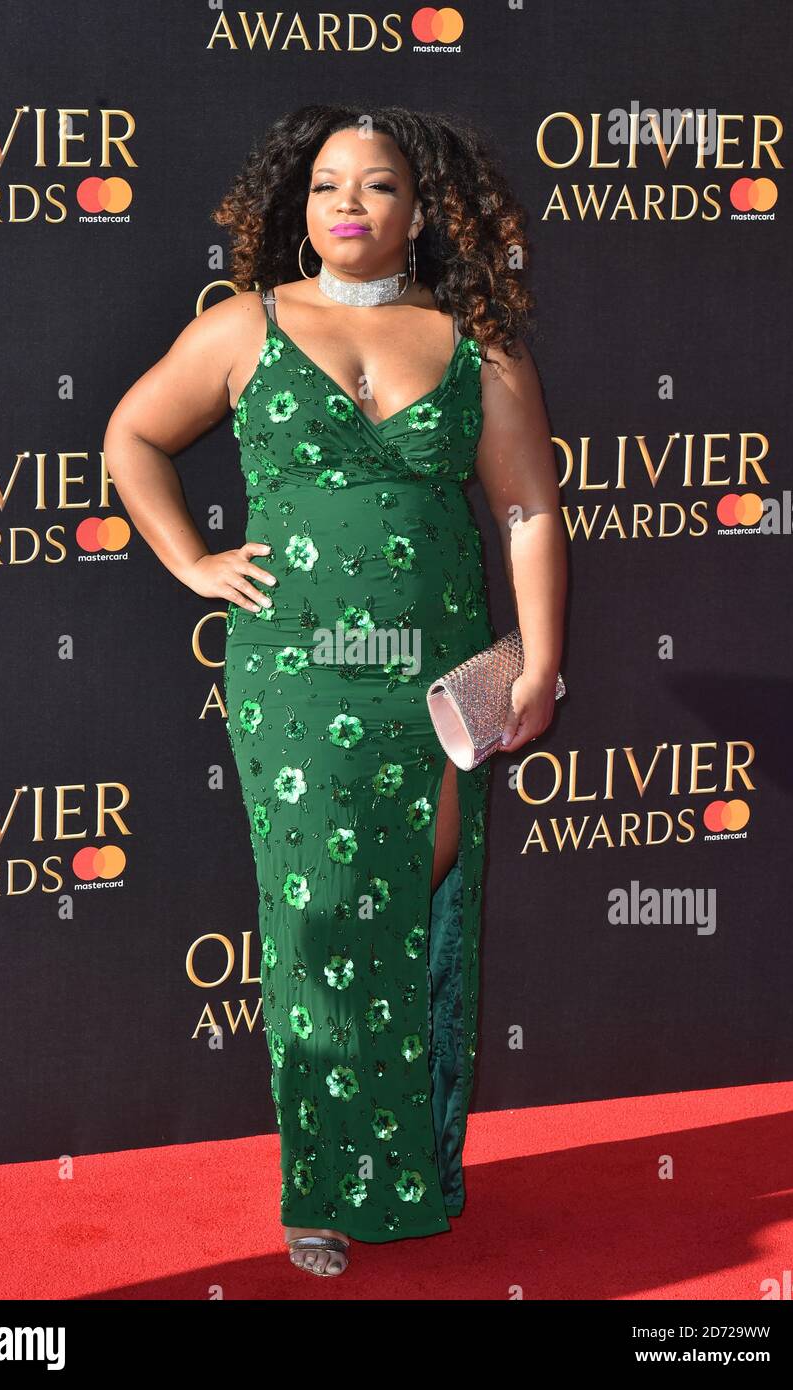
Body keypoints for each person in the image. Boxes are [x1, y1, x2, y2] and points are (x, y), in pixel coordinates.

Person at [103, 104, 566, 1279]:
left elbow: (525, 511)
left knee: (420, 916)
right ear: (297, 207)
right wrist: (192, 561)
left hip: (445, 671)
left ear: (420, 212)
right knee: (316, 927)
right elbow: (132, 437)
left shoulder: (478, 340)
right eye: (325, 185)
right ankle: (320, 1179)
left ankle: (416, 1168)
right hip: (296, 674)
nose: (348, 203)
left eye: (377, 185)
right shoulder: (243, 328)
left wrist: (542, 658)